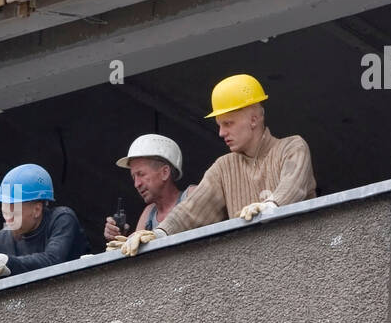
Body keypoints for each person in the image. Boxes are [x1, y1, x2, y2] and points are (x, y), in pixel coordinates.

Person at [108, 74, 316, 256]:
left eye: (228, 123)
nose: (221, 133)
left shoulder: (292, 147)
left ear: (253, 119)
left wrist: (271, 206)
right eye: (219, 125)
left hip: (300, 256)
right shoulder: (223, 167)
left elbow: (293, 186)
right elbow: (191, 211)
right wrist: (159, 234)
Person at [0, 163, 91, 276]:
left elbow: (52, 260)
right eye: (5, 204)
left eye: (14, 205)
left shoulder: (62, 219)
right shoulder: (4, 237)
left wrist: (7, 263)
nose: (7, 213)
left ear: (37, 210)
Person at [102, 133, 195, 242]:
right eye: (133, 177)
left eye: (141, 174)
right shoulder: (149, 212)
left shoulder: (191, 195)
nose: (136, 184)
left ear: (165, 172)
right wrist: (119, 239)